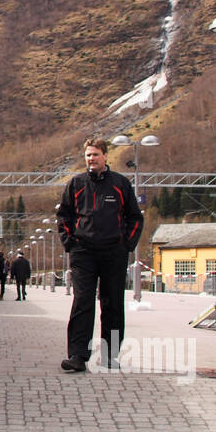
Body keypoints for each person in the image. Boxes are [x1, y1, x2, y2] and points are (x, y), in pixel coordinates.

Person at [57, 137, 143, 371]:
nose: (91, 159)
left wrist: (126, 245)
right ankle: (77, 355)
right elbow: (63, 216)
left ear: (105, 155)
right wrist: (70, 243)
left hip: (113, 252)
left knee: (112, 303)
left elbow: (135, 217)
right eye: (87, 155)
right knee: (82, 301)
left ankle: (109, 355)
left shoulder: (120, 184)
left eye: (95, 154)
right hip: (83, 252)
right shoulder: (76, 184)